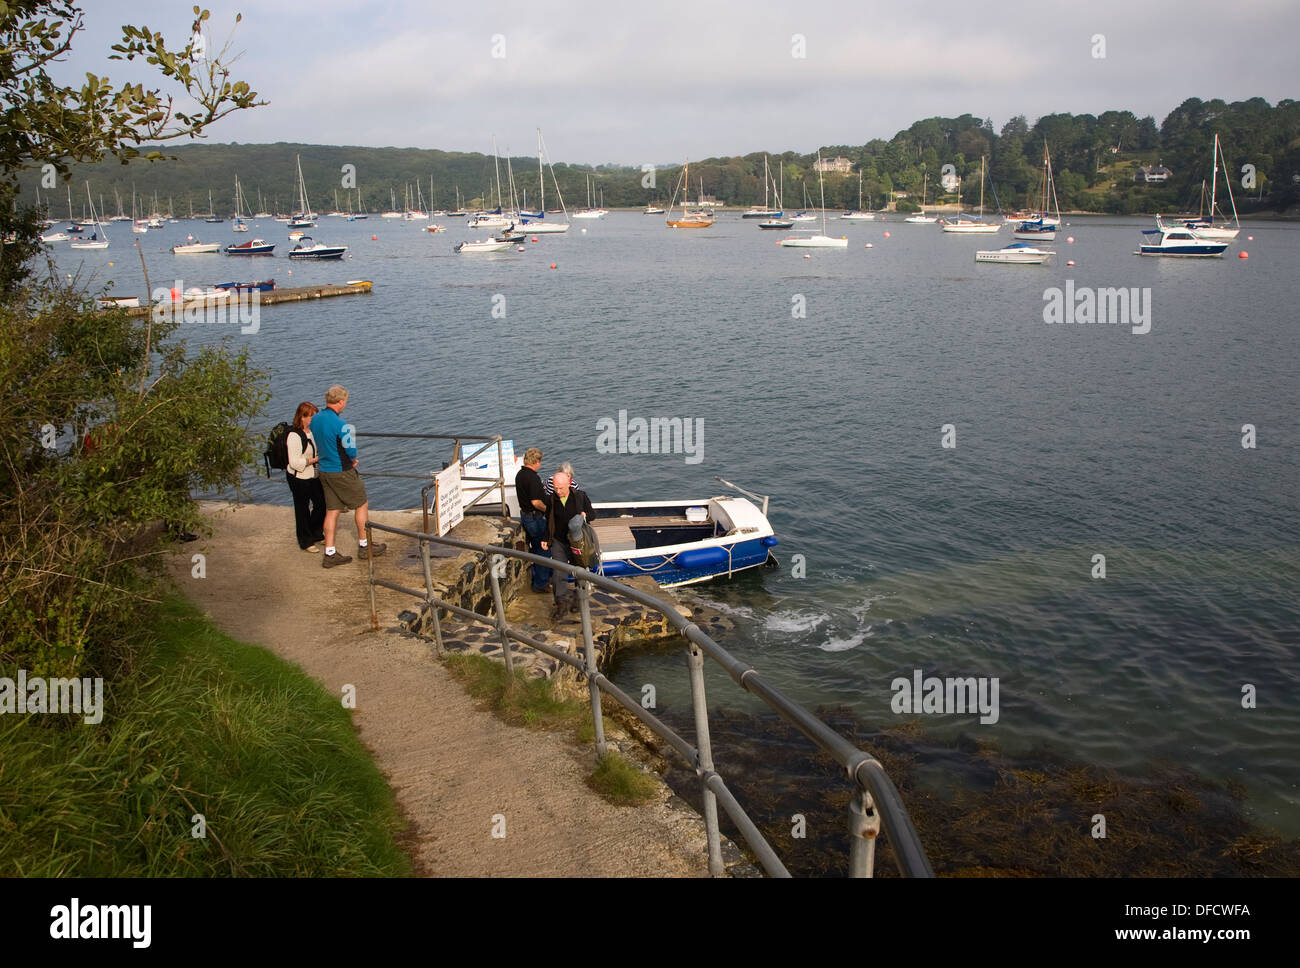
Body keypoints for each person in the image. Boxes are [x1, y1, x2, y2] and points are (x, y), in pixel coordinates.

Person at [312, 384, 387, 568]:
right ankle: (365, 545)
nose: (345, 404)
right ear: (340, 402)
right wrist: (353, 460)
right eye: (345, 401)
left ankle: (329, 553)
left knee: (332, 510)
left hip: (324, 470)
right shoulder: (342, 425)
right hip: (342, 471)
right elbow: (351, 450)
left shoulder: (315, 419)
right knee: (361, 503)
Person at [541, 469, 594, 619]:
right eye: (556, 488)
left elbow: (593, 515)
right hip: (559, 541)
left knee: (580, 572)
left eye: (561, 488)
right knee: (558, 574)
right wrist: (546, 538)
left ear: (569, 484)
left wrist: (585, 515)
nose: (558, 491)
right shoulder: (551, 499)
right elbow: (549, 520)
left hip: (577, 543)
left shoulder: (580, 497)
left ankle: (579, 599)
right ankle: (561, 605)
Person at [285, 401, 327, 552]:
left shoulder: (313, 432)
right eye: (311, 416)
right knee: (302, 509)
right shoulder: (294, 436)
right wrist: (314, 460)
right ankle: (305, 541)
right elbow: (294, 462)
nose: (313, 419)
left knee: (321, 503)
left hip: (313, 475)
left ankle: (316, 532)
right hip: (298, 478)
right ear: (302, 417)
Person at [514, 447, 552, 592]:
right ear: (536, 461)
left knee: (536, 548)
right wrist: (548, 511)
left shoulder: (520, 475)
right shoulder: (533, 478)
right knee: (544, 549)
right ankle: (540, 584)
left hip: (526, 516)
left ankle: (539, 578)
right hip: (535, 518)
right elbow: (536, 502)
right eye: (540, 462)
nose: (540, 464)